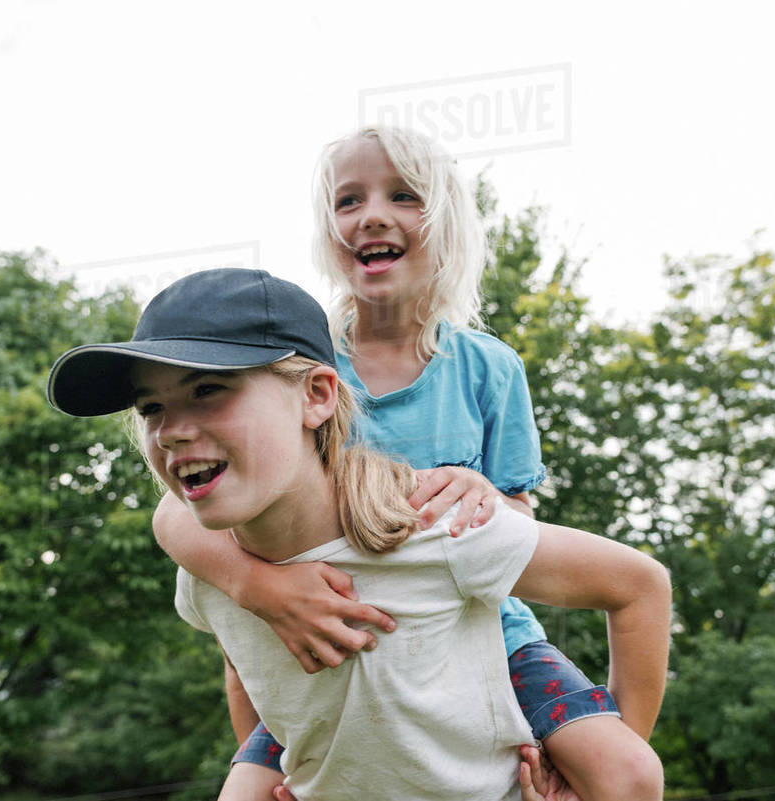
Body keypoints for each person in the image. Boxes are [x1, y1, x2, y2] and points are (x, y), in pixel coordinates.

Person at [153, 126, 667, 799]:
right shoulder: (296, 370)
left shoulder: (488, 368)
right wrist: (260, 588)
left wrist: (481, 492)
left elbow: (515, 518)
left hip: (478, 636)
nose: (371, 213)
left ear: (448, 224)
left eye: (404, 195)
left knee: (626, 771)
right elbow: (176, 513)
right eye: (347, 200)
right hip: (321, 630)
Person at [46, 268, 670, 801]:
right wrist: (284, 760)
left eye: (208, 390)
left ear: (316, 395)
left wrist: (583, 771)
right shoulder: (206, 575)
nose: (173, 430)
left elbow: (640, 584)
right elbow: (249, 673)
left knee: (629, 774)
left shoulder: (434, 524)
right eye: (151, 408)